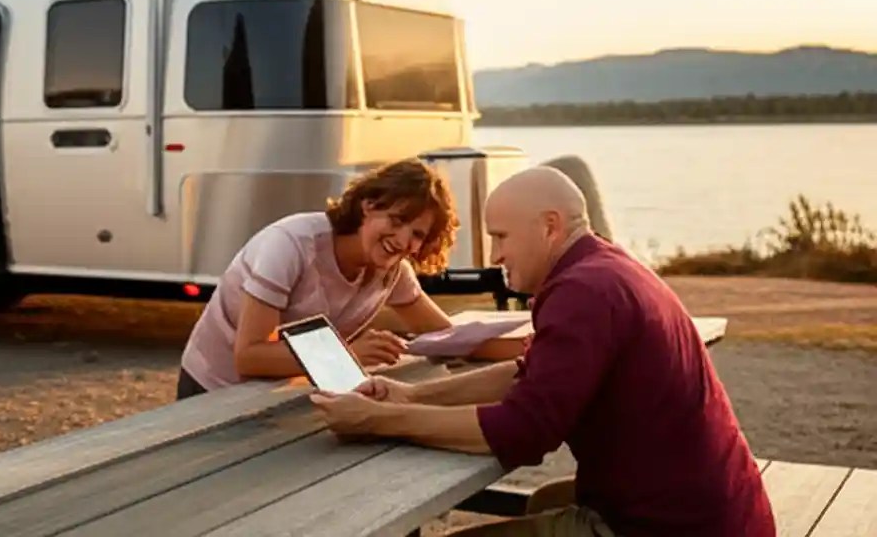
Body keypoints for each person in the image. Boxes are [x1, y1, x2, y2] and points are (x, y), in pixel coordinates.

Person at [309, 166, 775, 537]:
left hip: (671, 528)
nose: (495, 255)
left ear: (550, 227)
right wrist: (411, 396)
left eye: (501, 236)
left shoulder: (583, 292)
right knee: (544, 502)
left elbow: (523, 432)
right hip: (720, 512)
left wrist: (378, 420)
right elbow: (527, 372)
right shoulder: (607, 268)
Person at [176, 158, 461, 400]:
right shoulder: (291, 245)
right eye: (396, 220)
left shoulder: (392, 270)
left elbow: (444, 335)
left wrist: (484, 347)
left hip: (279, 393)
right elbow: (250, 357)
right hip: (213, 389)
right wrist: (348, 355)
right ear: (368, 205)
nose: (402, 240)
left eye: (417, 234)